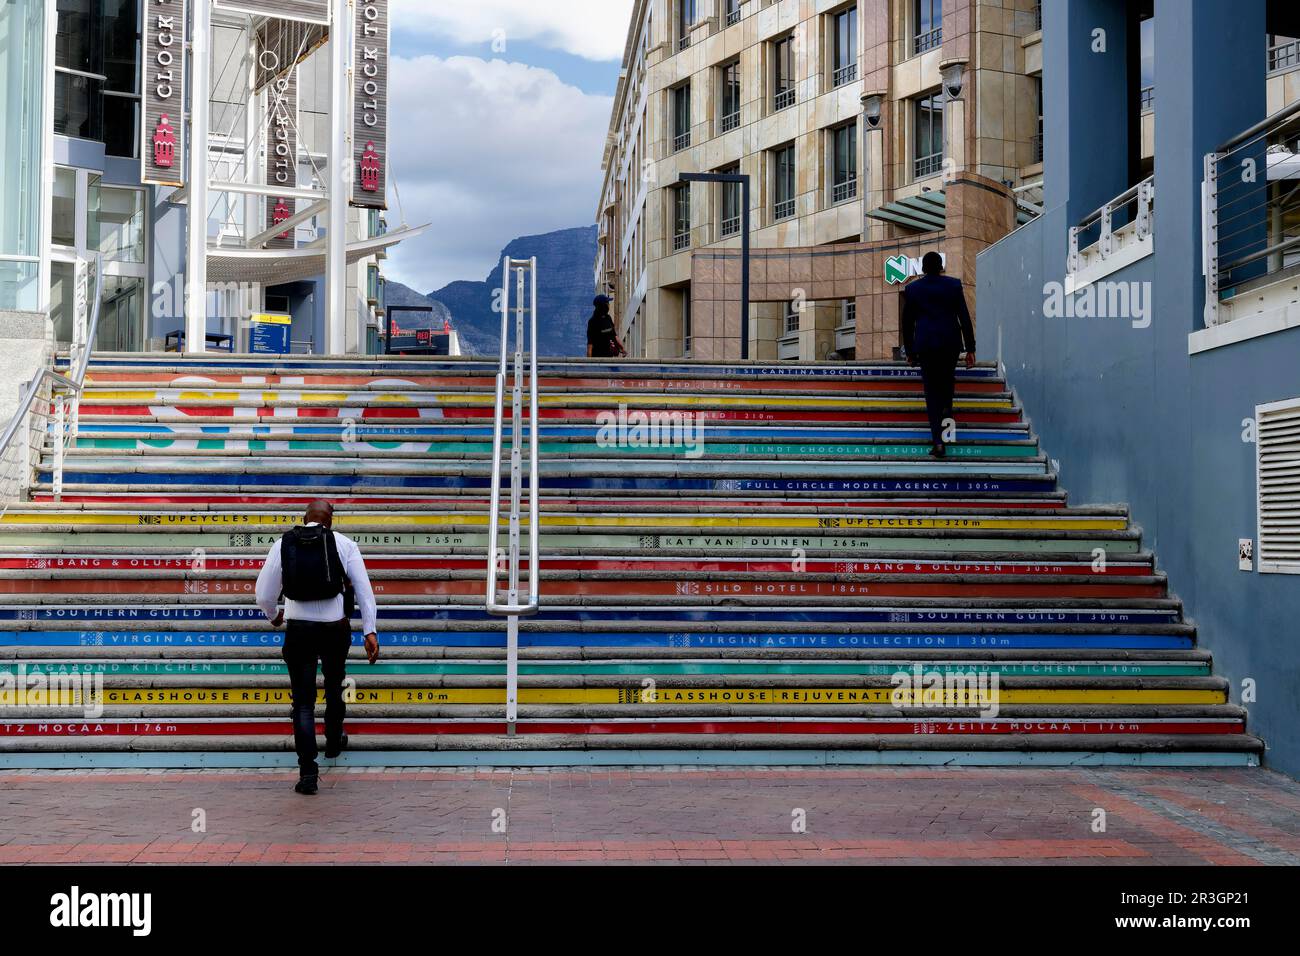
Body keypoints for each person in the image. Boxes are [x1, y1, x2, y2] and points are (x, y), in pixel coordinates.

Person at [255, 500, 380, 795]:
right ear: (330, 520)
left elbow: (263, 594)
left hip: (299, 631)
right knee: (334, 684)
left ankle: (308, 773)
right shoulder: (344, 544)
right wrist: (370, 630)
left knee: (302, 702)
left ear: (304, 519)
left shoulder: (283, 543)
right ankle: (334, 742)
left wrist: (274, 616)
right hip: (335, 629)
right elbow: (364, 591)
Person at [900, 252, 977, 458]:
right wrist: (970, 348)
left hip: (925, 345)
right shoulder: (953, 285)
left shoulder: (912, 289)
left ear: (923, 269)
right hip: (950, 343)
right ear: (941, 266)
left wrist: (909, 351)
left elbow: (907, 323)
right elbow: (964, 317)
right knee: (947, 381)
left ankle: (938, 442)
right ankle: (946, 410)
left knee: (931, 391)